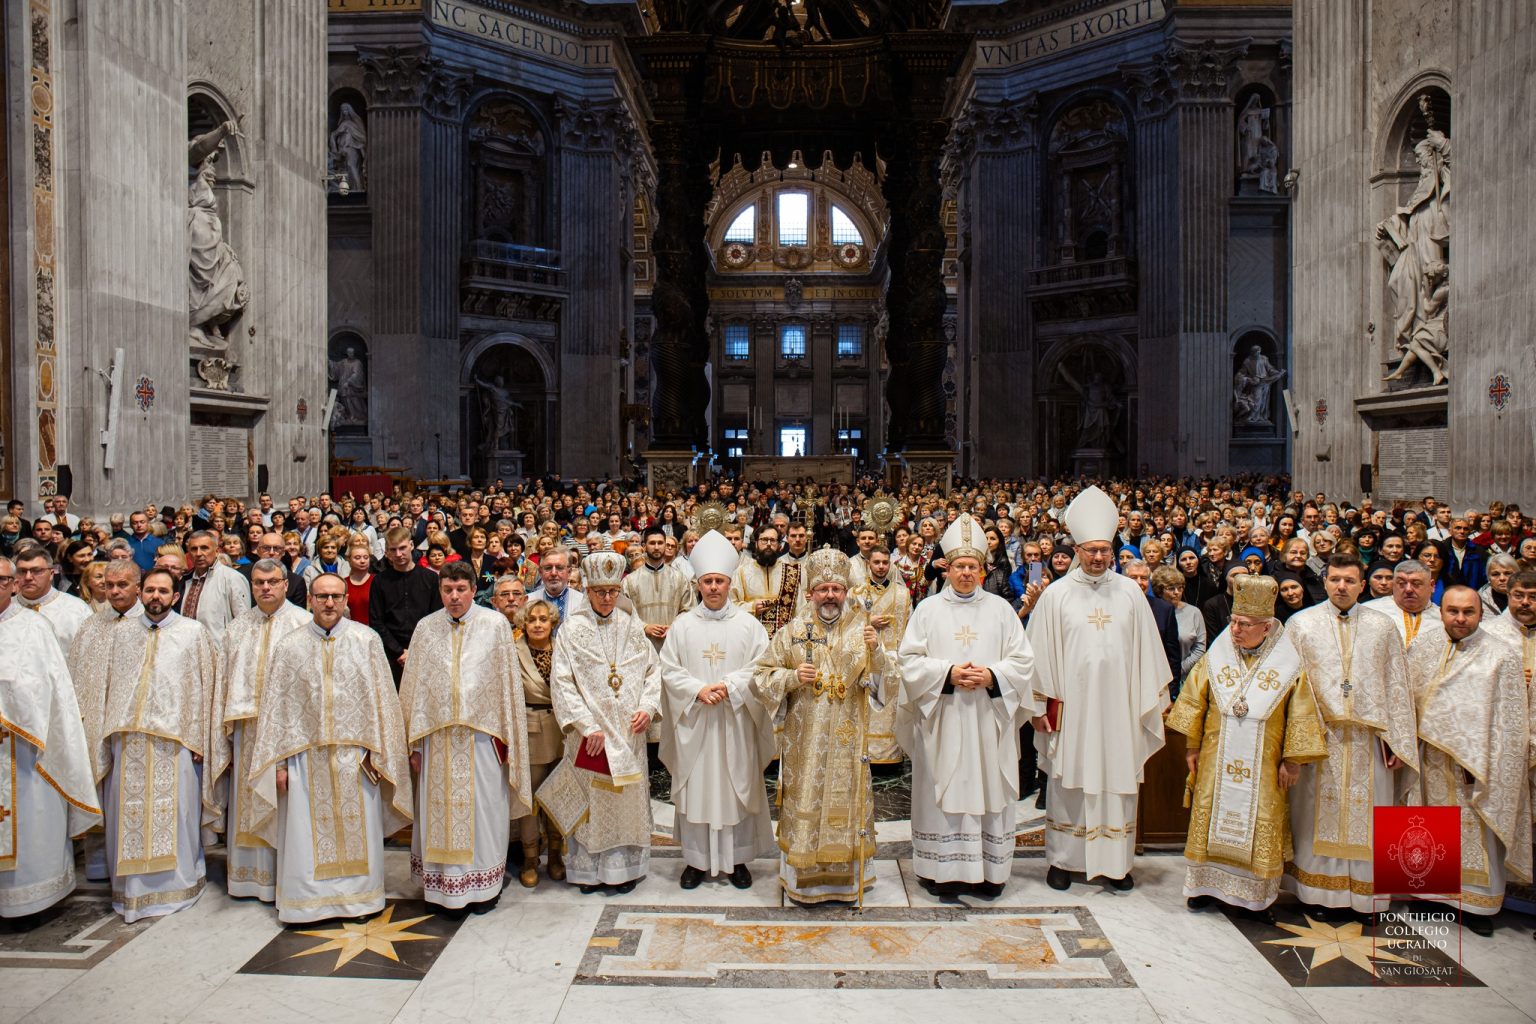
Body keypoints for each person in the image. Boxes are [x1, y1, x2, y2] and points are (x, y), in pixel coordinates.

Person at [1026, 487, 1170, 891]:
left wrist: (1152, 698)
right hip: (1072, 710)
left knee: (1116, 777)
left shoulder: (1130, 594)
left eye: (1105, 550)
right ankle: (1062, 860)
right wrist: (1041, 706)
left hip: (1120, 709)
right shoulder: (1055, 596)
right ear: (1077, 549)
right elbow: (1040, 656)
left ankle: (1116, 864)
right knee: (1069, 778)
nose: (1098, 558)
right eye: (1090, 550)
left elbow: (1147, 653)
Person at [248, 573, 412, 924]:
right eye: (322, 596)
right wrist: (277, 764)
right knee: (306, 837)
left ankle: (360, 902)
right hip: (304, 757)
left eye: (336, 596)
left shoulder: (366, 640)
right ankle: (308, 905)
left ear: (346, 600)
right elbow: (277, 708)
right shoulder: (290, 645)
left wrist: (382, 753)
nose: (329, 603)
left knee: (358, 833)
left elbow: (384, 701)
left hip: (356, 757)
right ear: (310, 599)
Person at [1170, 574, 1327, 921]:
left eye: (1245, 624)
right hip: (1214, 756)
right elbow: (1196, 700)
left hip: (1265, 764)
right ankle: (1203, 888)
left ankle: (1255, 898)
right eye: (1234, 622)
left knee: (1261, 821)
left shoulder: (1289, 664)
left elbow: (1300, 714)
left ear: (1267, 627)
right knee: (1208, 813)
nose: (1236, 630)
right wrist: (1191, 746)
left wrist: (1293, 760)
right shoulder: (1219, 654)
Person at [897, 515, 1037, 898]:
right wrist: (947, 674)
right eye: (959, 566)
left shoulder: (1001, 610)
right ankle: (938, 868)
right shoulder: (927, 611)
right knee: (942, 784)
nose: (965, 573)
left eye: (972, 566)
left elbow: (1023, 660)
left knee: (988, 787)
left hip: (988, 720)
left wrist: (993, 676)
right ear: (947, 568)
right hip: (943, 717)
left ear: (982, 569)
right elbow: (908, 660)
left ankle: (990, 872)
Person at [1281, 555, 1417, 920]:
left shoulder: (1382, 626)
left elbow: (1397, 685)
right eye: (1335, 579)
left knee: (1373, 817)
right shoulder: (1301, 624)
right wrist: (1292, 743)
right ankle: (1318, 894)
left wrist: (1399, 739)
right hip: (1319, 738)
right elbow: (1288, 686)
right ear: (1325, 582)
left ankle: (1368, 898)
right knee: (1311, 814)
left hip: (1368, 740)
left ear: (1363, 584)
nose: (1342, 587)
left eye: (1350, 580)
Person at [753, 547, 890, 905]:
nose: (830, 595)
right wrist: (792, 676)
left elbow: (885, 685)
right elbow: (761, 676)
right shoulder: (792, 632)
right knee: (807, 802)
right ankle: (804, 881)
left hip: (848, 734)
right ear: (810, 593)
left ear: (846, 592)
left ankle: (846, 883)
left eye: (837, 589)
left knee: (847, 803)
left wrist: (877, 655)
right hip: (806, 739)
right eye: (823, 589)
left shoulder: (864, 631)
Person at [400, 562, 532, 915]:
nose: (454, 597)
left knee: (485, 812)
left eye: (460, 589)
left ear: (474, 589)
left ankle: (485, 888)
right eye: (447, 590)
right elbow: (412, 688)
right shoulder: (426, 629)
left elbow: (507, 686)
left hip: (481, 738)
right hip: (437, 740)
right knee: (438, 815)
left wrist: (508, 737)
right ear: (440, 590)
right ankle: (442, 889)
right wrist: (413, 744)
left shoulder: (495, 625)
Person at [1399, 586, 1530, 935]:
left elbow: (1511, 719)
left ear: (1480, 613)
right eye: (1452, 611)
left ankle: (1475, 906)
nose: (1459, 619)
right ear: (1440, 611)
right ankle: (1423, 895)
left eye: (1467, 612)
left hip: (1475, 764)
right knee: (1420, 823)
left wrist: (1493, 762)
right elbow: (1404, 698)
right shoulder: (1423, 646)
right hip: (1426, 758)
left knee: (1474, 835)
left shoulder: (1500, 656)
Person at [89, 568, 217, 922]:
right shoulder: (123, 634)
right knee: (125, 818)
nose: (155, 597)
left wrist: (203, 738)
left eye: (163, 591)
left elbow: (206, 689)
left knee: (177, 816)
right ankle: (132, 892)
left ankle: (179, 885)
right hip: (128, 741)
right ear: (141, 593)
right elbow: (107, 687)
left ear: (176, 596)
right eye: (149, 590)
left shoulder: (193, 633)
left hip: (175, 741)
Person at [658, 530, 775, 889]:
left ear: (729, 584)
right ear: (698, 584)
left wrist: (730, 686)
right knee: (697, 788)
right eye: (707, 581)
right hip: (695, 723)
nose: (713, 587)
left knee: (735, 787)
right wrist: (697, 690)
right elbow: (667, 668)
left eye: (719, 581)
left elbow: (763, 666)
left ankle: (737, 859)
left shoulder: (748, 625)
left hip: (735, 721)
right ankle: (696, 861)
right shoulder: (682, 626)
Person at [549, 552, 661, 893]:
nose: (607, 598)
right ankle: (589, 872)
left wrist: (647, 706)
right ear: (587, 589)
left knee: (626, 802)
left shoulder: (631, 627)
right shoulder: (571, 630)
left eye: (613, 591)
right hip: (591, 737)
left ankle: (625, 869)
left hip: (628, 733)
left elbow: (653, 671)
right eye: (600, 592)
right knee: (593, 803)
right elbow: (562, 681)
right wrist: (586, 726)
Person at [0, 556, 102, 920]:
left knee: (32, 823)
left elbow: (51, 690)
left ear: (12, 586)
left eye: (2, 580)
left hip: (27, 749)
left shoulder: (33, 627)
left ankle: (34, 899)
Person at [204, 558, 310, 902]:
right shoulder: (237, 628)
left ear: (284, 584)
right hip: (248, 732)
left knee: (288, 804)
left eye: (272, 581)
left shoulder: (303, 624)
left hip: (289, 733)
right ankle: (251, 879)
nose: (265, 587)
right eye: (259, 582)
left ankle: (287, 877)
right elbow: (223, 683)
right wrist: (225, 735)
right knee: (249, 800)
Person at [511, 598, 565, 887]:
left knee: (558, 794)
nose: (538, 624)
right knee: (530, 798)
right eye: (532, 620)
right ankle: (531, 857)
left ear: (553, 622)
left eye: (543, 619)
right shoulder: (514, 652)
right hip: (530, 730)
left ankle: (556, 853)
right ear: (523, 624)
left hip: (561, 728)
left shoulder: (563, 649)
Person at [850, 546, 911, 764]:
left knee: (888, 709)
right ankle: (861, 751)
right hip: (862, 657)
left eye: (885, 562)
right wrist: (868, 623)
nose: (881, 567)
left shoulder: (902, 594)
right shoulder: (855, 593)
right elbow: (844, 627)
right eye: (877, 562)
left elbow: (908, 628)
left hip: (892, 660)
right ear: (869, 564)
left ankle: (889, 754)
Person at [369, 526, 444, 684]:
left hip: (425, 651)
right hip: (391, 654)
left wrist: (416, 651)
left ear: (411, 545)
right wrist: (398, 652)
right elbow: (376, 621)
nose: (398, 554)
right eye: (393, 550)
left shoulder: (430, 578)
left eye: (402, 548)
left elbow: (436, 618)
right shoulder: (379, 581)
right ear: (387, 552)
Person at [623, 525, 695, 653]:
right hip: (641, 646)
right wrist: (644, 626)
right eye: (652, 543)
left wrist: (674, 626)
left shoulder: (679, 578)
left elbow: (690, 609)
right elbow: (622, 614)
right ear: (644, 546)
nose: (656, 547)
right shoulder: (629, 581)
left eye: (660, 543)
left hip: (672, 644)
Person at [12, 545, 92, 650]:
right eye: (22, 571)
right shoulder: (6, 608)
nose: (28, 577)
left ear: (51, 574)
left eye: (36, 571)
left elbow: (91, 651)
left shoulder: (77, 609)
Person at [731, 525, 804, 639]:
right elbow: (730, 607)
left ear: (779, 545)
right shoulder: (741, 572)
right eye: (764, 540)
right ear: (756, 544)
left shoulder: (791, 573)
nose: (769, 544)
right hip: (750, 638)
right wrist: (752, 607)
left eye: (773, 540)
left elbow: (801, 611)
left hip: (783, 642)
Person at [178, 530, 251, 643]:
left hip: (220, 652)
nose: (198, 553)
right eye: (194, 549)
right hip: (189, 651)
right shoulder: (185, 580)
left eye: (204, 548)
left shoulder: (232, 578)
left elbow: (243, 623)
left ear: (216, 551)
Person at [1150, 565, 1206, 690]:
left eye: (1180, 588)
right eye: (1171, 588)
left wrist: (1177, 671)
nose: (1177, 592)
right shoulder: (1153, 612)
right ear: (1159, 590)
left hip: (1187, 679)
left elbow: (1200, 649)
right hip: (1157, 678)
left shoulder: (1194, 612)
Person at [1363, 559, 1441, 647]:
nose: (1408, 589)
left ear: (1432, 585)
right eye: (1401, 583)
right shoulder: (1368, 611)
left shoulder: (1443, 618)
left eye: (1416, 583)